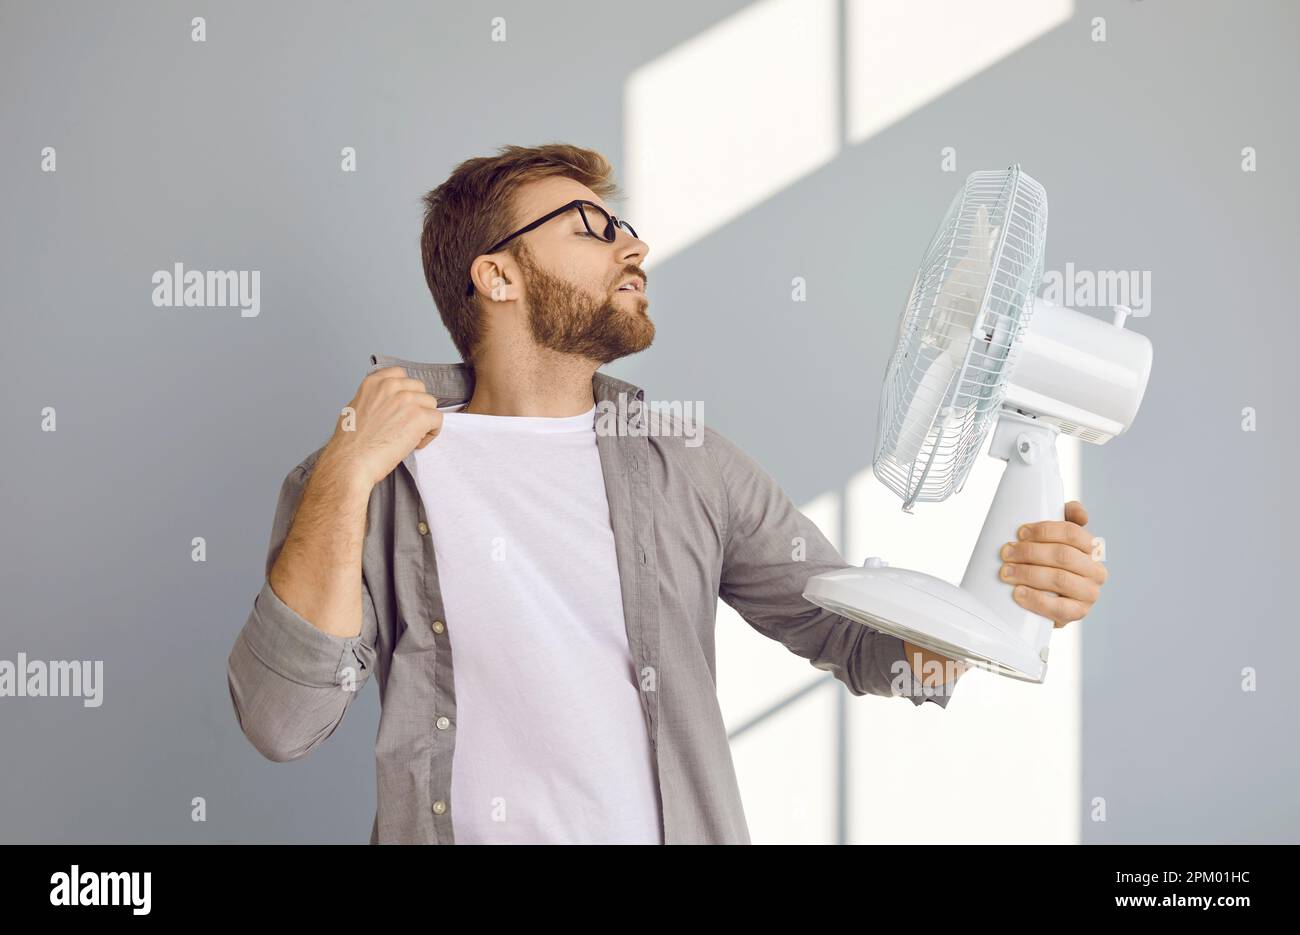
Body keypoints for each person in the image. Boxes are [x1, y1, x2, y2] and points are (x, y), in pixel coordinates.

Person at [226, 143, 1108, 844]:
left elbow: (860, 641)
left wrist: (1004, 602)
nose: (634, 246)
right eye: (589, 227)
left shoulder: (688, 461)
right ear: (496, 276)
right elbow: (280, 719)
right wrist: (346, 470)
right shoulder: (367, 475)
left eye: (626, 227)